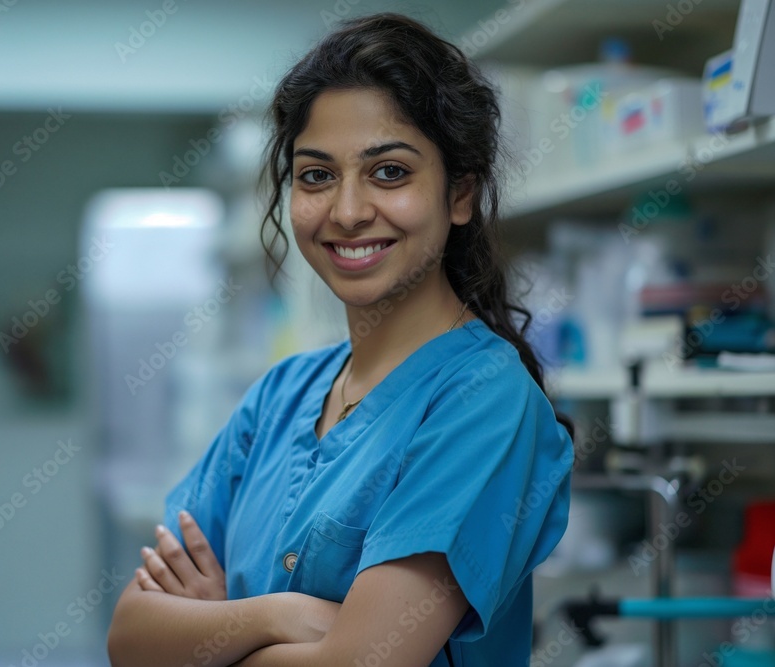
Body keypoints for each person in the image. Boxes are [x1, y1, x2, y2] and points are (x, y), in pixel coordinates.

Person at [107, 11, 573, 667]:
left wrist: (213, 634)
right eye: (317, 174)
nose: (348, 211)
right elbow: (129, 637)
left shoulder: (485, 402)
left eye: (389, 172)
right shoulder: (279, 395)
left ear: (460, 193)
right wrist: (279, 616)